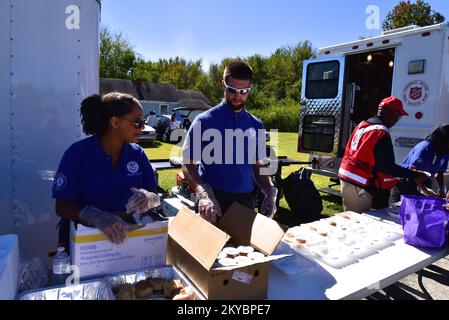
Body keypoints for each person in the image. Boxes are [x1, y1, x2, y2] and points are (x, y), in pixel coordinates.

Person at [52, 92, 160, 248]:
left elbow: (154, 194)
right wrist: (96, 217)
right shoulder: (77, 154)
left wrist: (148, 199)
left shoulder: (137, 154)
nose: (143, 126)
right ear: (115, 122)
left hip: (124, 240)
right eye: (137, 122)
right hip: (86, 243)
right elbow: (62, 206)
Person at [181, 61, 277, 224]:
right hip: (212, 201)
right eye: (232, 90)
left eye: (244, 91)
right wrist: (203, 193)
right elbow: (187, 164)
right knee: (210, 249)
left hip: (245, 200)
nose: (238, 96)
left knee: (243, 249)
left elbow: (258, 165)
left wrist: (269, 191)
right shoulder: (204, 121)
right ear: (223, 85)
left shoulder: (256, 124)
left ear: (250, 89)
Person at [338, 96, 428, 213]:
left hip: (348, 177)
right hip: (359, 183)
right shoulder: (381, 131)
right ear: (389, 112)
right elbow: (387, 166)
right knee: (357, 223)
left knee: (351, 218)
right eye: (398, 115)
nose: (397, 120)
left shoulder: (364, 124)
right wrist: (414, 175)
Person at [390, 124, 449, 203]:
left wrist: (441, 188)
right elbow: (413, 170)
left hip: (424, 181)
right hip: (407, 182)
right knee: (401, 211)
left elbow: (440, 172)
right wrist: (424, 190)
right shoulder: (424, 148)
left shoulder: (445, 151)